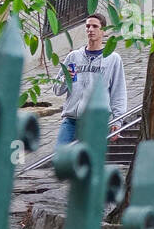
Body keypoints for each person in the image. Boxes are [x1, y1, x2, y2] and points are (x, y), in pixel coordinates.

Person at [52, 10, 127, 146]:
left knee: (87, 162)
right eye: (87, 26)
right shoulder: (73, 56)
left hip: (96, 122)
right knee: (60, 158)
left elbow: (118, 92)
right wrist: (65, 79)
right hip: (71, 120)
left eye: (95, 26)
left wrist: (117, 121)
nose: (90, 29)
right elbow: (57, 89)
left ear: (103, 31)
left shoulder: (113, 59)